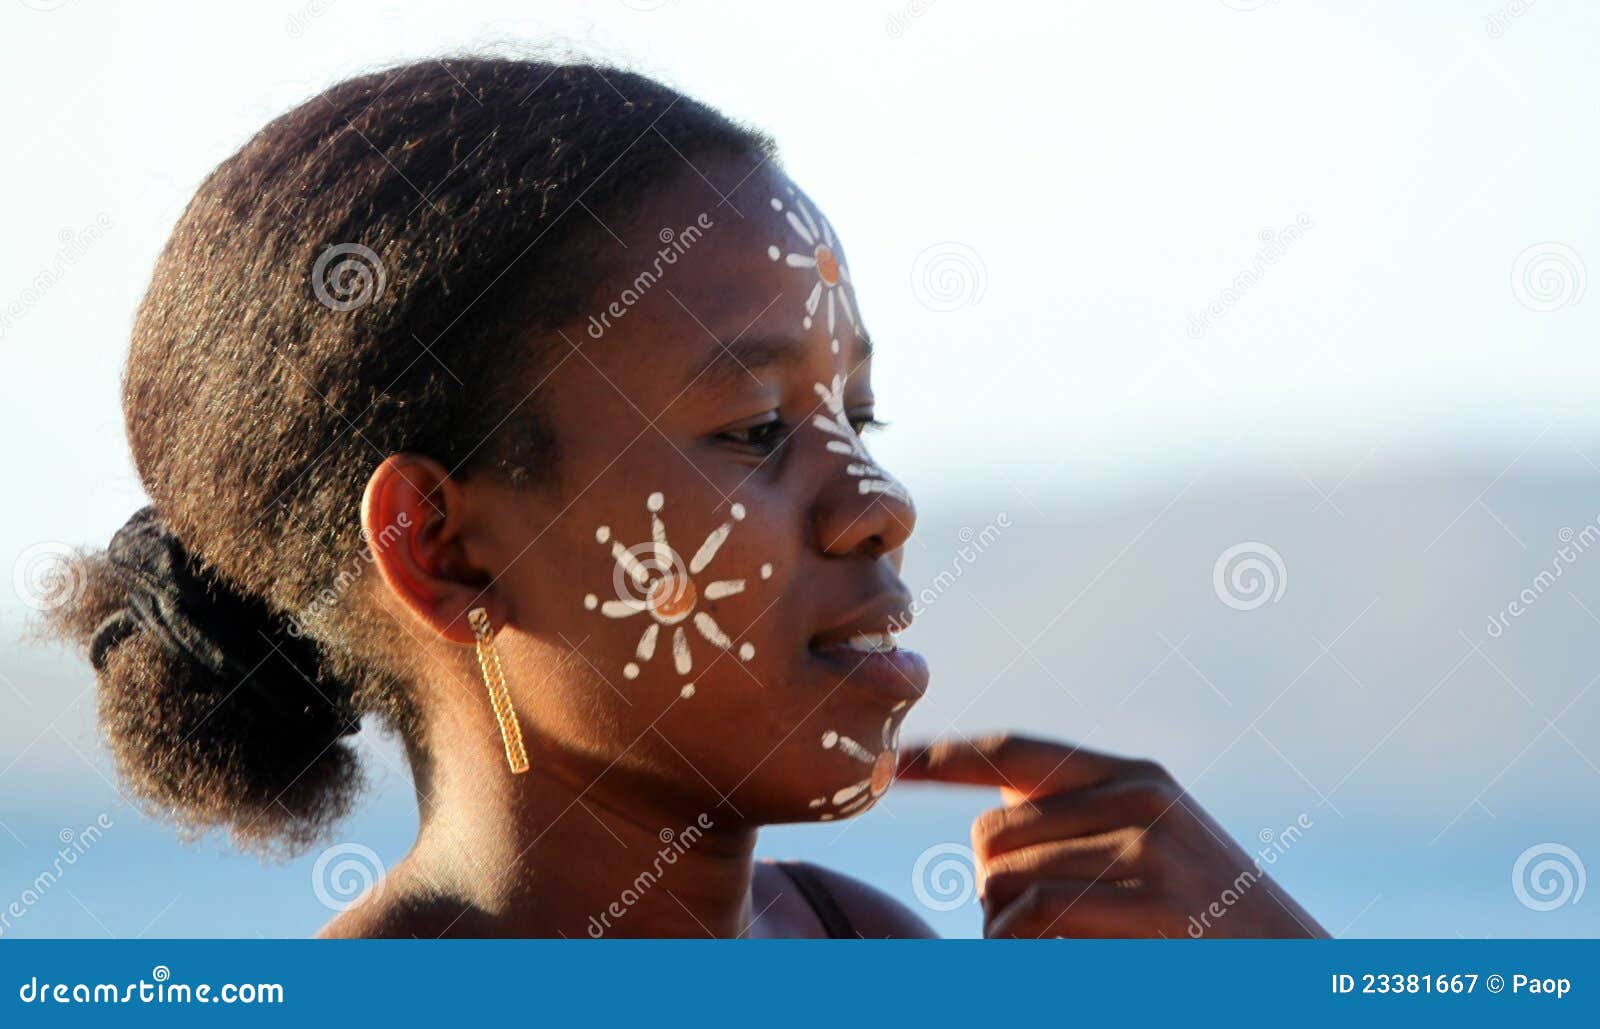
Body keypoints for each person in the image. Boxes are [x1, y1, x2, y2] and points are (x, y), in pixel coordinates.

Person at [44, 56, 1325, 938]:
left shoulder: (849, 942)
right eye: (757, 428)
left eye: (857, 417)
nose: (877, 505)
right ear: (444, 548)